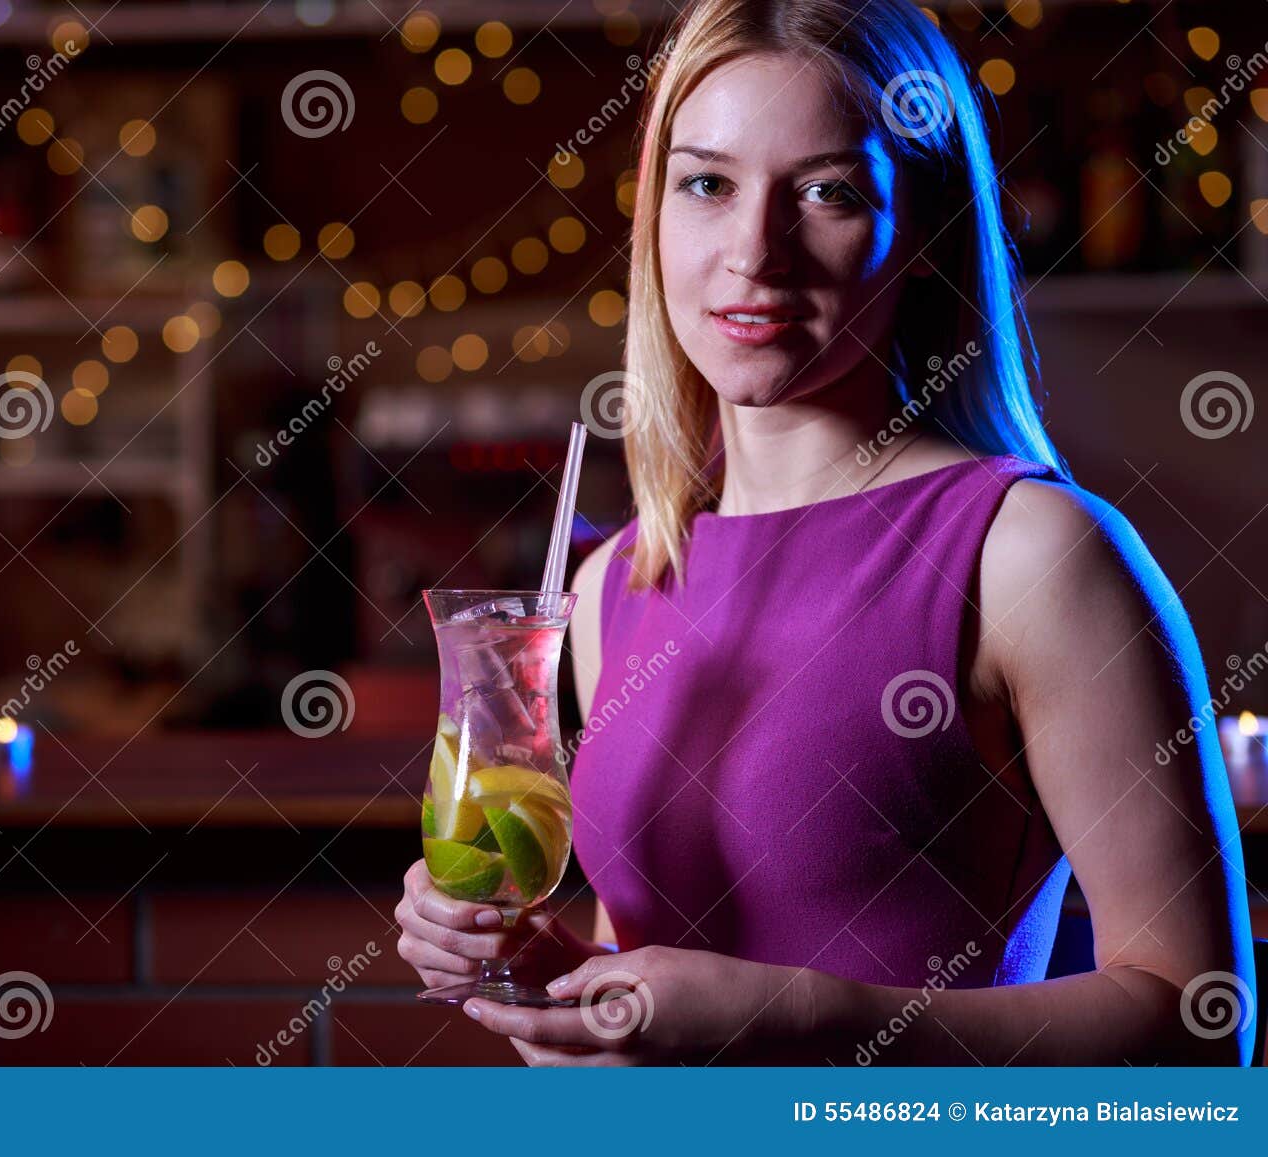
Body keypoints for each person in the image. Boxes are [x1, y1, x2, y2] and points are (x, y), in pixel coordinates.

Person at [395, 0, 1255, 1065]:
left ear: (929, 232)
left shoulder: (1031, 552)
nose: (753, 252)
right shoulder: (617, 575)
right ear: (654, 216)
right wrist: (549, 986)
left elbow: (1202, 1024)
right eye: (706, 183)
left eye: (827, 192)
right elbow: (651, 1008)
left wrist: (793, 1020)